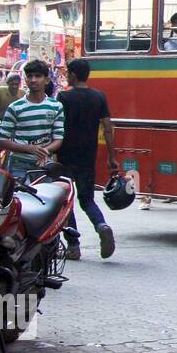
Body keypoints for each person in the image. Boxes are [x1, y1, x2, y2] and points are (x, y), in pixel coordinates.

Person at [57, 58, 118, 260]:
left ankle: (73, 245)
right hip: (87, 156)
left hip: (65, 156)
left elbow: (58, 128)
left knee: (66, 202)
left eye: (68, 72)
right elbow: (108, 128)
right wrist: (112, 156)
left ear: (73, 74)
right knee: (87, 199)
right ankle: (101, 225)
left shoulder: (64, 97)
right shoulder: (99, 97)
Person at [0, 59, 65, 182]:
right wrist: (30, 148)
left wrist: (45, 151)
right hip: (19, 166)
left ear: (47, 80)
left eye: (38, 76)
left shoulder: (56, 106)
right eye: (30, 76)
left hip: (44, 166)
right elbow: (2, 141)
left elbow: (58, 139)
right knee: (21, 200)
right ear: (25, 80)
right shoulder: (15, 107)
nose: (33, 80)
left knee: (44, 200)